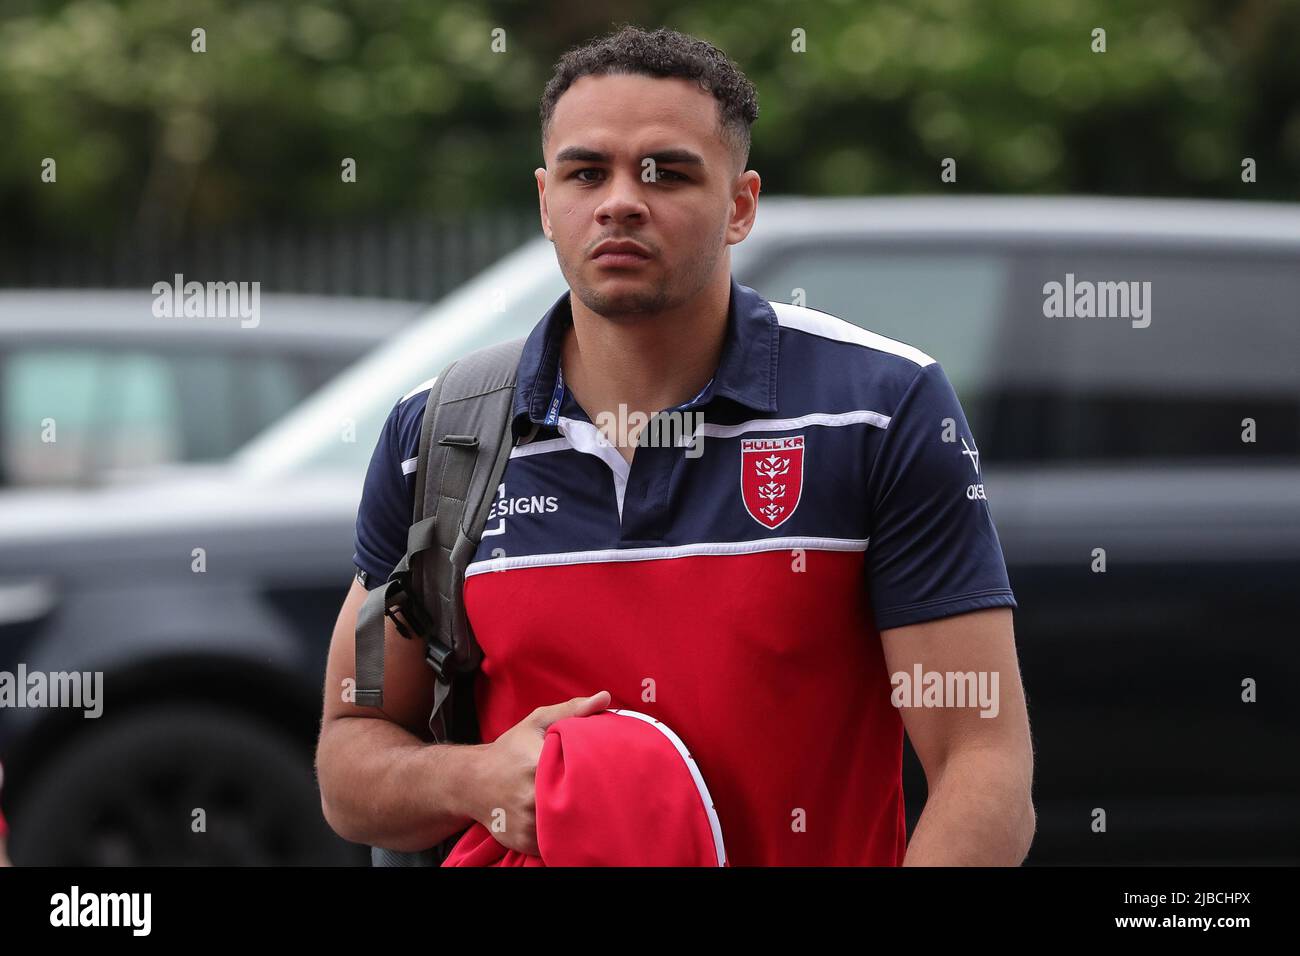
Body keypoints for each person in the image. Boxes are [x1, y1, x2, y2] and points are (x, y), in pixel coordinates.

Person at [316, 25, 1035, 866]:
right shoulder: (433, 436)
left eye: (668, 171)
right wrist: (474, 781)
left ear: (740, 205)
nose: (621, 199)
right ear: (547, 202)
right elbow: (351, 744)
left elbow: (981, 759)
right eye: (588, 173)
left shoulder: (883, 408)